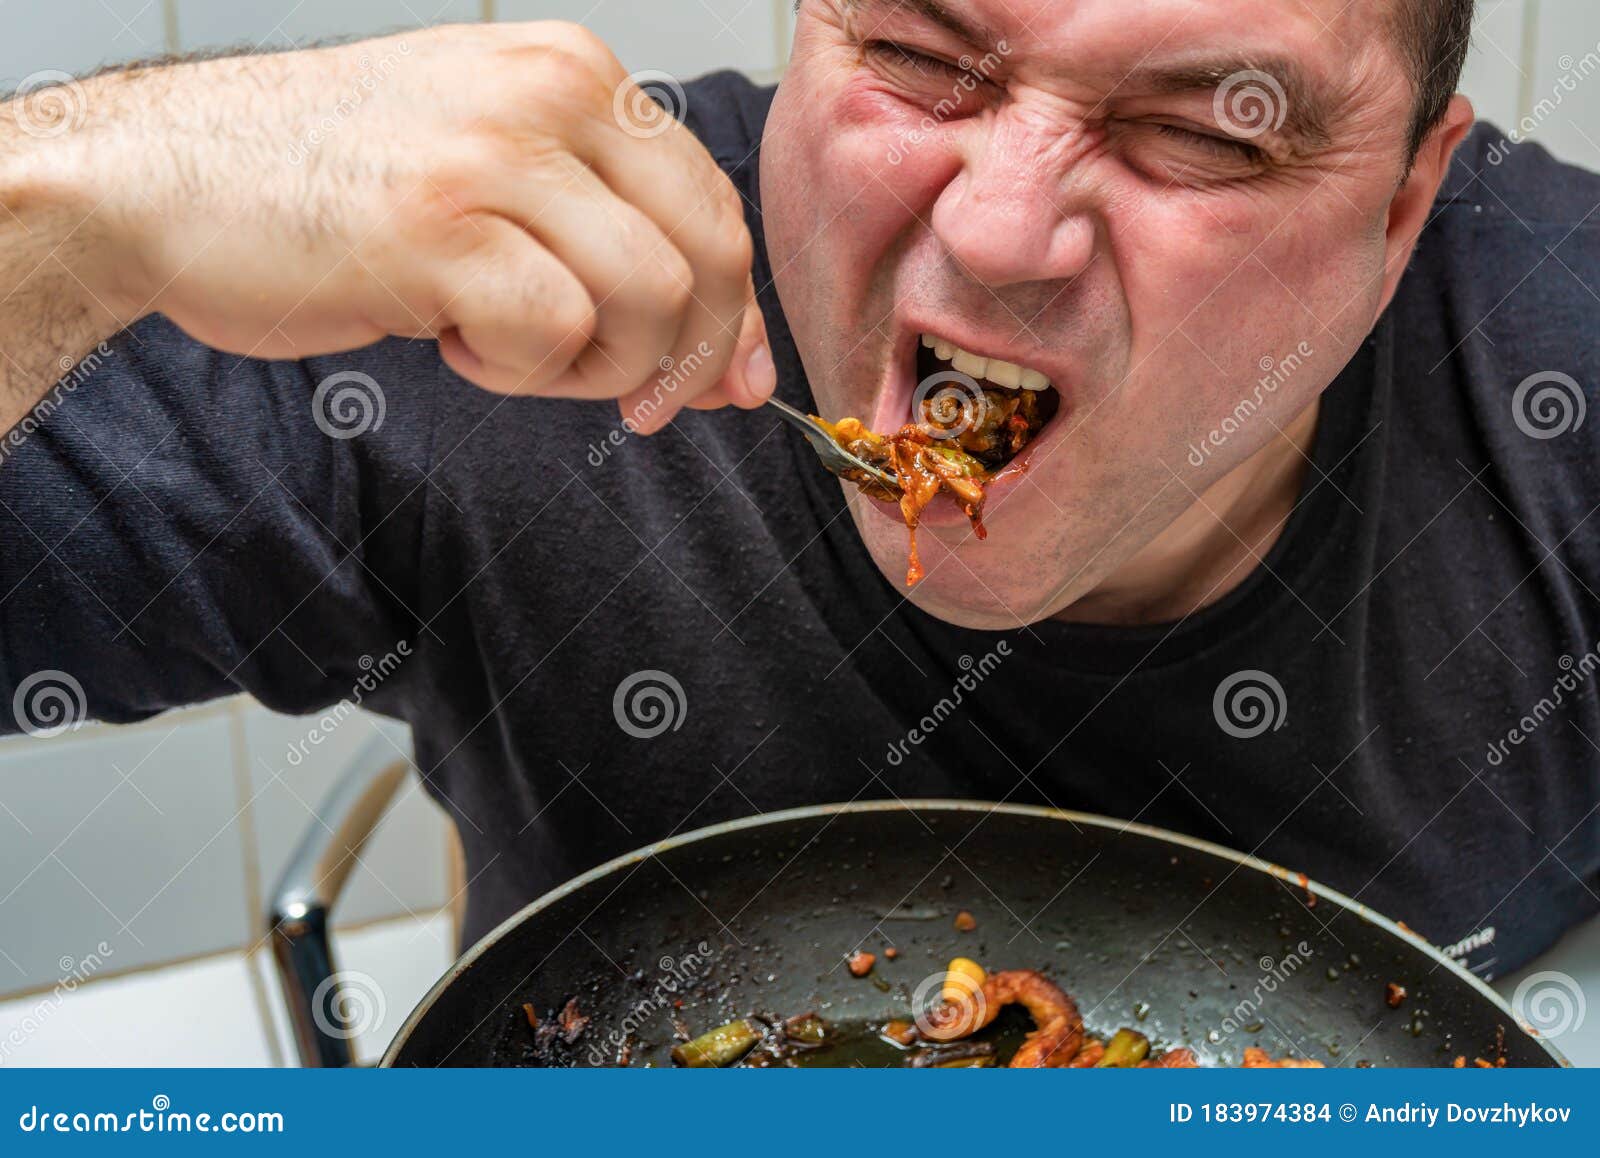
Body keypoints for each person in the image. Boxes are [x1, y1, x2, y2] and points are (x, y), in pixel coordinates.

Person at [0, 0, 1596, 980]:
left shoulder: (1560, 371)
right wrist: (65, 210)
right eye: (915, 54)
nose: (991, 231)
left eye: (1198, 130)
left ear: (1406, 201)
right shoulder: (496, 329)